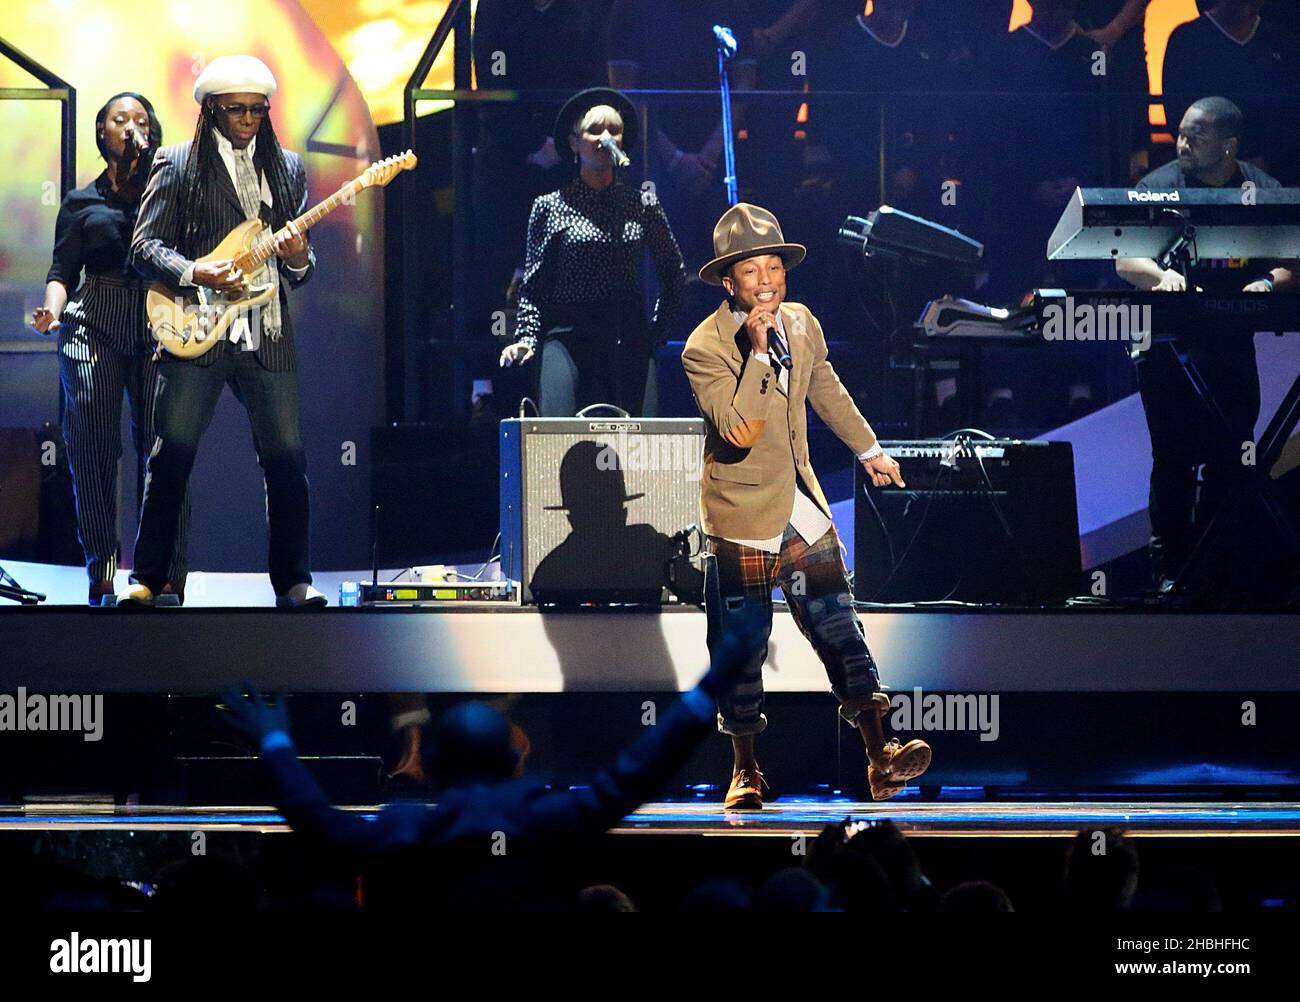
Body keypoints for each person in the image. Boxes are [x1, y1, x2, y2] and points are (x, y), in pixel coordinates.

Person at [221, 606, 767, 911]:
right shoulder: (545, 821)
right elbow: (637, 774)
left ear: (433, 766)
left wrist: (274, 742)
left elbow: (318, 823)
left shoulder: (406, 831)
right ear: (514, 761)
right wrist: (715, 681)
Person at [681, 202, 932, 806]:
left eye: (774, 267)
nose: (766, 281)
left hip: (800, 505)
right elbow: (740, 430)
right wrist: (758, 354)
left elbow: (826, 389)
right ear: (728, 282)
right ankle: (745, 770)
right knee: (741, 651)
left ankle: (881, 757)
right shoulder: (704, 347)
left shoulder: (800, 323)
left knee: (840, 628)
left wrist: (869, 449)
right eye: (751, 271)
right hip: (741, 516)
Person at [116, 55, 326, 608]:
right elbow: (144, 247)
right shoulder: (177, 162)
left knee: (287, 461)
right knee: (171, 456)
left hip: (265, 331)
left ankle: (295, 582)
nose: (249, 119)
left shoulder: (288, 167)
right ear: (211, 110)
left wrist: (298, 257)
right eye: (236, 110)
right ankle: (148, 577)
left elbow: (299, 271)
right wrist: (196, 271)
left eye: (258, 110)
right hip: (197, 324)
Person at [1115, 97, 1292, 597]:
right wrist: (1161, 276)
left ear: (1229, 145)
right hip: (1165, 342)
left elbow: (1295, 260)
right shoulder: (1156, 186)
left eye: (1196, 135)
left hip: (1231, 342)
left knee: (1231, 455)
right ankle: (1170, 571)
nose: (1182, 143)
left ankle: (1217, 568)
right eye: (1180, 133)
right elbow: (1124, 259)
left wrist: (1269, 283)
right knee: (1172, 456)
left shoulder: (1263, 190)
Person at [32, 92, 189, 606]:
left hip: (156, 316)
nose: (129, 127)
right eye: (120, 119)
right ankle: (101, 566)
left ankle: (164, 573)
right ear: (102, 132)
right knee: (94, 442)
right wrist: (51, 310)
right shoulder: (81, 202)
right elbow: (62, 271)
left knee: (165, 443)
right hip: (94, 318)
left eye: (140, 120)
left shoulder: (167, 194)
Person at [498, 87, 686, 416]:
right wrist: (527, 337)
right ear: (574, 143)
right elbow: (533, 286)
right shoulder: (550, 206)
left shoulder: (641, 203)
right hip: (568, 334)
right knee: (560, 431)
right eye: (595, 130)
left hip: (627, 334)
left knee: (642, 434)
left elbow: (673, 272)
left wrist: (656, 332)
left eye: (614, 130)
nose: (606, 138)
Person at [1164, 0, 1300, 184]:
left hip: (1277, 171)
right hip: (1204, 172)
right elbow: (1177, 114)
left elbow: (1291, 112)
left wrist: (1267, 158)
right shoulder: (1186, 39)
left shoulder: (1282, 41)